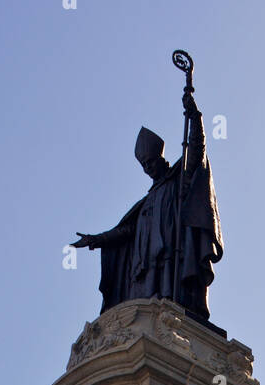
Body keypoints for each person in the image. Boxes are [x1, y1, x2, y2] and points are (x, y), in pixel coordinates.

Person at [71, 92, 223, 321]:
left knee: (169, 310)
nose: (149, 168)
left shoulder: (178, 182)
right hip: (145, 268)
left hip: (172, 261)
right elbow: (127, 232)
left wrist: (194, 115)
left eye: (151, 162)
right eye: (145, 165)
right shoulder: (146, 203)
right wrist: (96, 239)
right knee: (145, 311)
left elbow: (197, 148)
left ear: (161, 159)